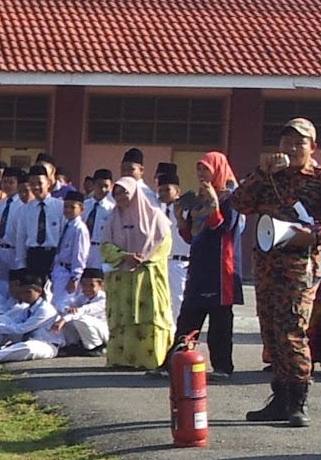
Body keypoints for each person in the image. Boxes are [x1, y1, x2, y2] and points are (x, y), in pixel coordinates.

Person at [230, 118, 321, 424]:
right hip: (268, 266)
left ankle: (298, 399)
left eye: (299, 143)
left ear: (313, 147)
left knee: (291, 330)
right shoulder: (271, 177)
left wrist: (309, 234)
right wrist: (261, 174)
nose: (292, 149)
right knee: (270, 331)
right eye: (286, 142)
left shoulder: (318, 180)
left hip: (299, 266)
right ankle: (280, 397)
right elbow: (238, 203)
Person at [156, 158, 242, 380]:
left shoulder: (231, 198)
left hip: (221, 269)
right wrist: (180, 220)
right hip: (199, 265)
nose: (202, 173)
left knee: (220, 322)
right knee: (188, 317)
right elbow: (192, 236)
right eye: (199, 168)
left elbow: (224, 227)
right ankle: (171, 363)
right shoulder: (198, 198)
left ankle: (223, 367)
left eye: (206, 168)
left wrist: (214, 204)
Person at [99, 177, 174, 370]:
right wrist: (124, 256)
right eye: (116, 193)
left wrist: (144, 258)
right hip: (121, 276)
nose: (120, 197)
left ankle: (151, 359)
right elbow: (105, 246)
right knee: (122, 317)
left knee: (150, 316)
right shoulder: (113, 218)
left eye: (124, 192)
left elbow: (164, 242)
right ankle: (121, 359)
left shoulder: (154, 215)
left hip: (147, 276)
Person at [157, 166, 190, 317]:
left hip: (180, 262)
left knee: (178, 300)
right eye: (160, 190)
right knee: (160, 299)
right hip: (161, 261)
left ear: (177, 191)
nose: (163, 194)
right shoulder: (157, 210)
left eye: (167, 190)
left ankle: (178, 334)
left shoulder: (186, 209)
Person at [52, 269, 109, 355]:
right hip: (90, 331)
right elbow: (61, 303)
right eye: (84, 285)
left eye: (91, 285)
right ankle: (74, 345)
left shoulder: (104, 299)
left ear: (101, 285)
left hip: (105, 332)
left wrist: (64, 319)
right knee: (63, 317)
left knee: (81, 319)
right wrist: (66, 309)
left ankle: (96, 347)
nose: (87, 289)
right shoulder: (82, 297)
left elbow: (85, 310)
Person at [50, 191, 91, 304]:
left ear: (81, 209)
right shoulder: (67, 224)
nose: (67, 210)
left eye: (72, 207)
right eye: (66, 206)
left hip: (68, 273)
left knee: (63, 304)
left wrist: (75, 278)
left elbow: (80, 255)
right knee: (55, 303)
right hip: (59, 270)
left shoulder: (80, 229)